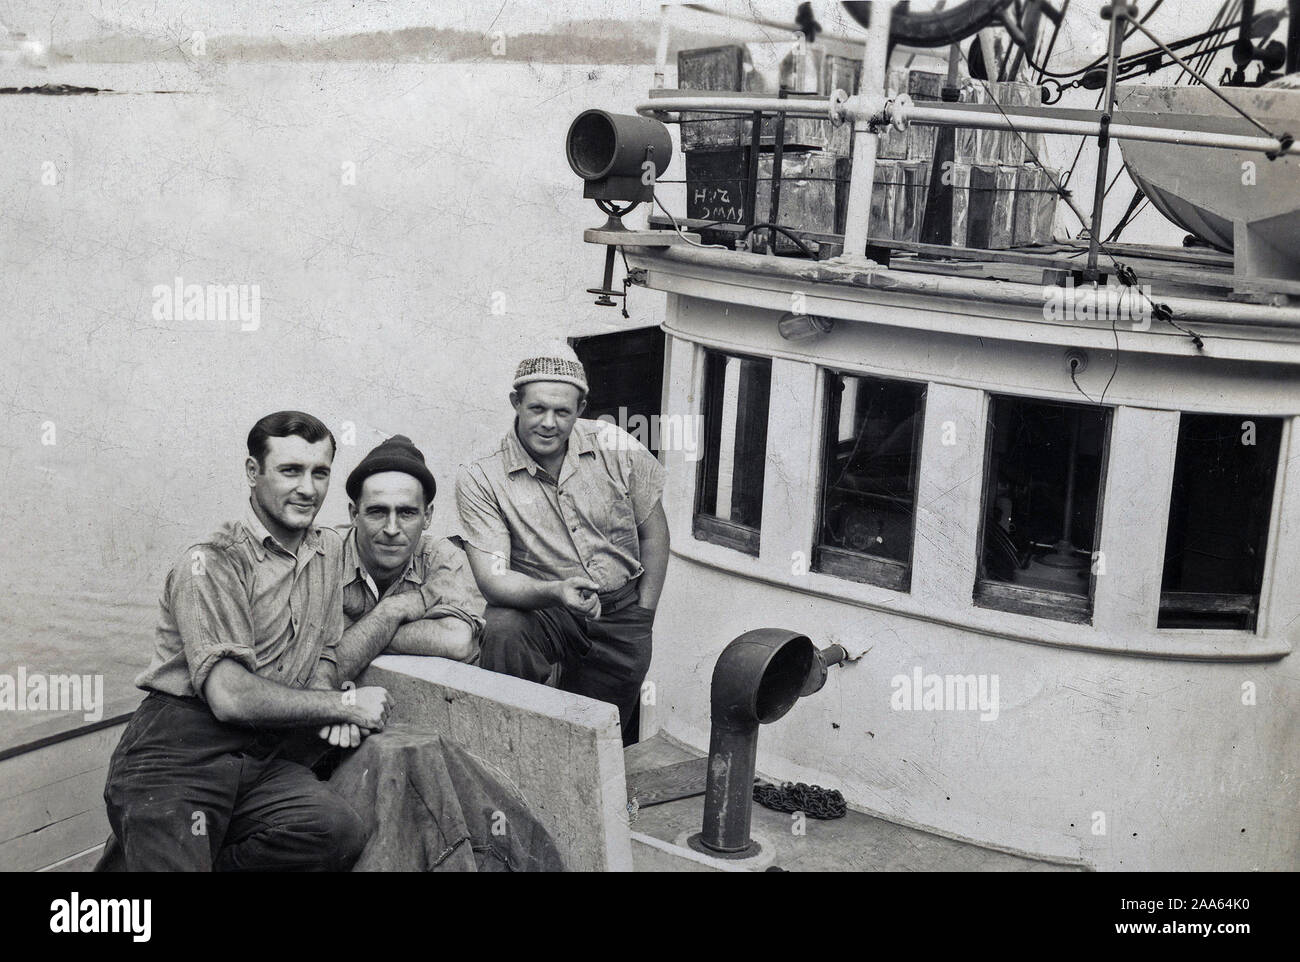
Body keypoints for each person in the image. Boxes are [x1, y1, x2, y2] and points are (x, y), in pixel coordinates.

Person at [99, 411, 422, 871]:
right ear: (254, 473)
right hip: (178, 754)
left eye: (320, 472)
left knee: (334, 830)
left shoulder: (328, 551)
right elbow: (230, 697)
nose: (308, 488)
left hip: (259, 757)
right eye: (290, 471)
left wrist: (329, 697)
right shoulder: (212, 561)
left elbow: (325, 655)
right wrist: (342, 707)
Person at [455, 352, 669, 740]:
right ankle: (508, 746)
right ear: (515, 402)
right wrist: (555, 592)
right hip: (543, 609)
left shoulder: (616, 446)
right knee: (504, 628)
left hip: (621, 613)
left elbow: (654, 533)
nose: (549, 423)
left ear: (581, 409)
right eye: (537, 408)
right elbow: (492, 577)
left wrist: (644, 613)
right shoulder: (480, 474)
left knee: (597, 741)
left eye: (562, 412)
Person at [331, 434, 483, 671]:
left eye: (407, 513)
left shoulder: (439, 556)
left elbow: (458, 641)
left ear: (428, 516)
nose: (392, 529)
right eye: (377, 512)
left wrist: (362, 632)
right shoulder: (325, 552)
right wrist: (390, 612)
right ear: (354, 514)